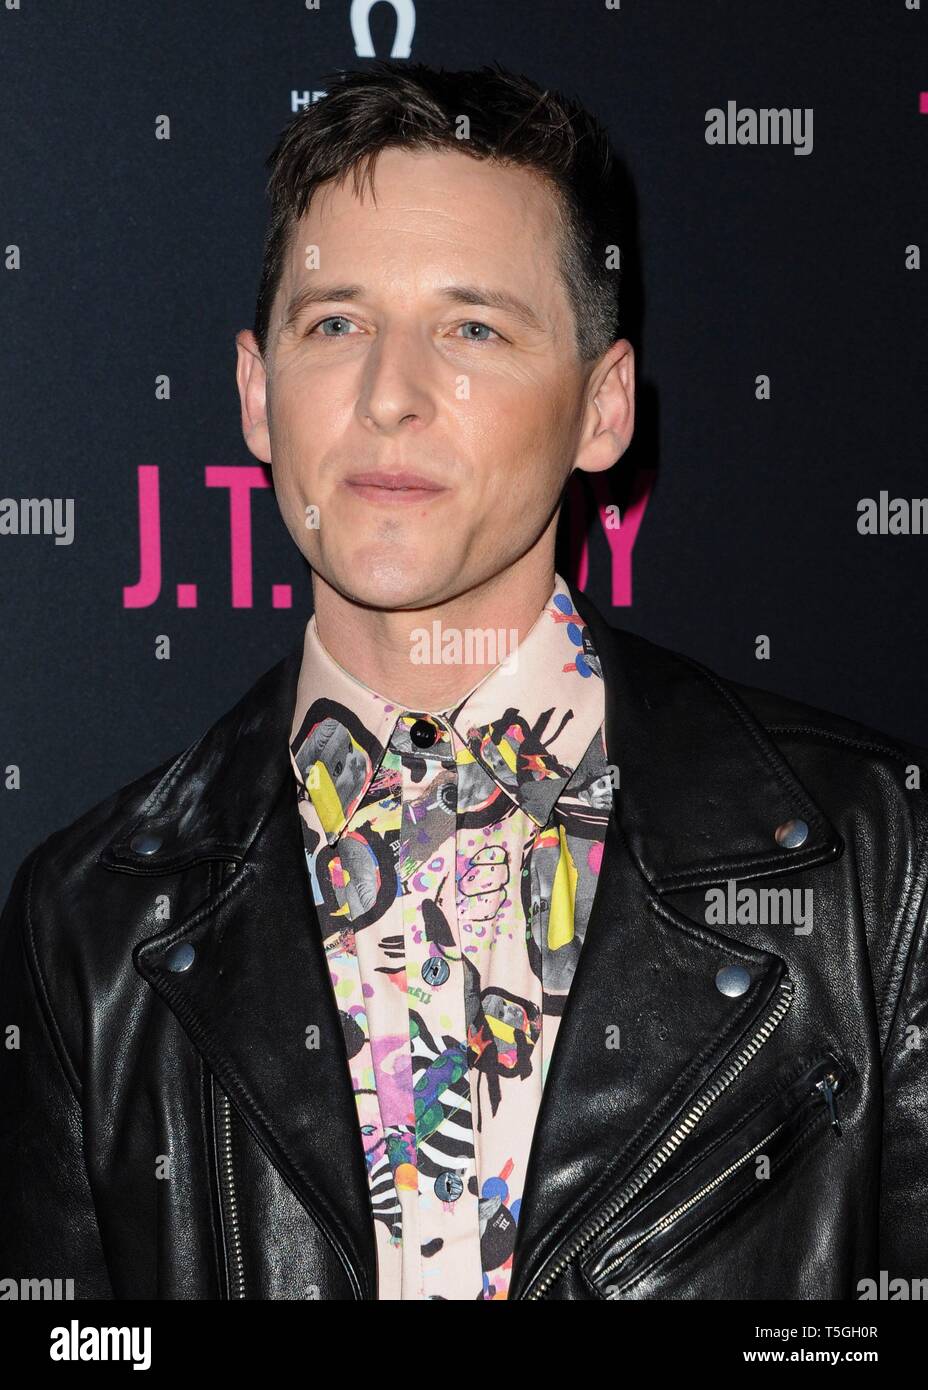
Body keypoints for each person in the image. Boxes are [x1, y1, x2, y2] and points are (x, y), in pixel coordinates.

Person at [1, 60, 925, 1302]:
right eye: (336, 324)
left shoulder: (873, 862)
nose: (390, 397)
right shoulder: (89, 923)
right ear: (255, 393)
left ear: (602, 409)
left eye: (473, 329)